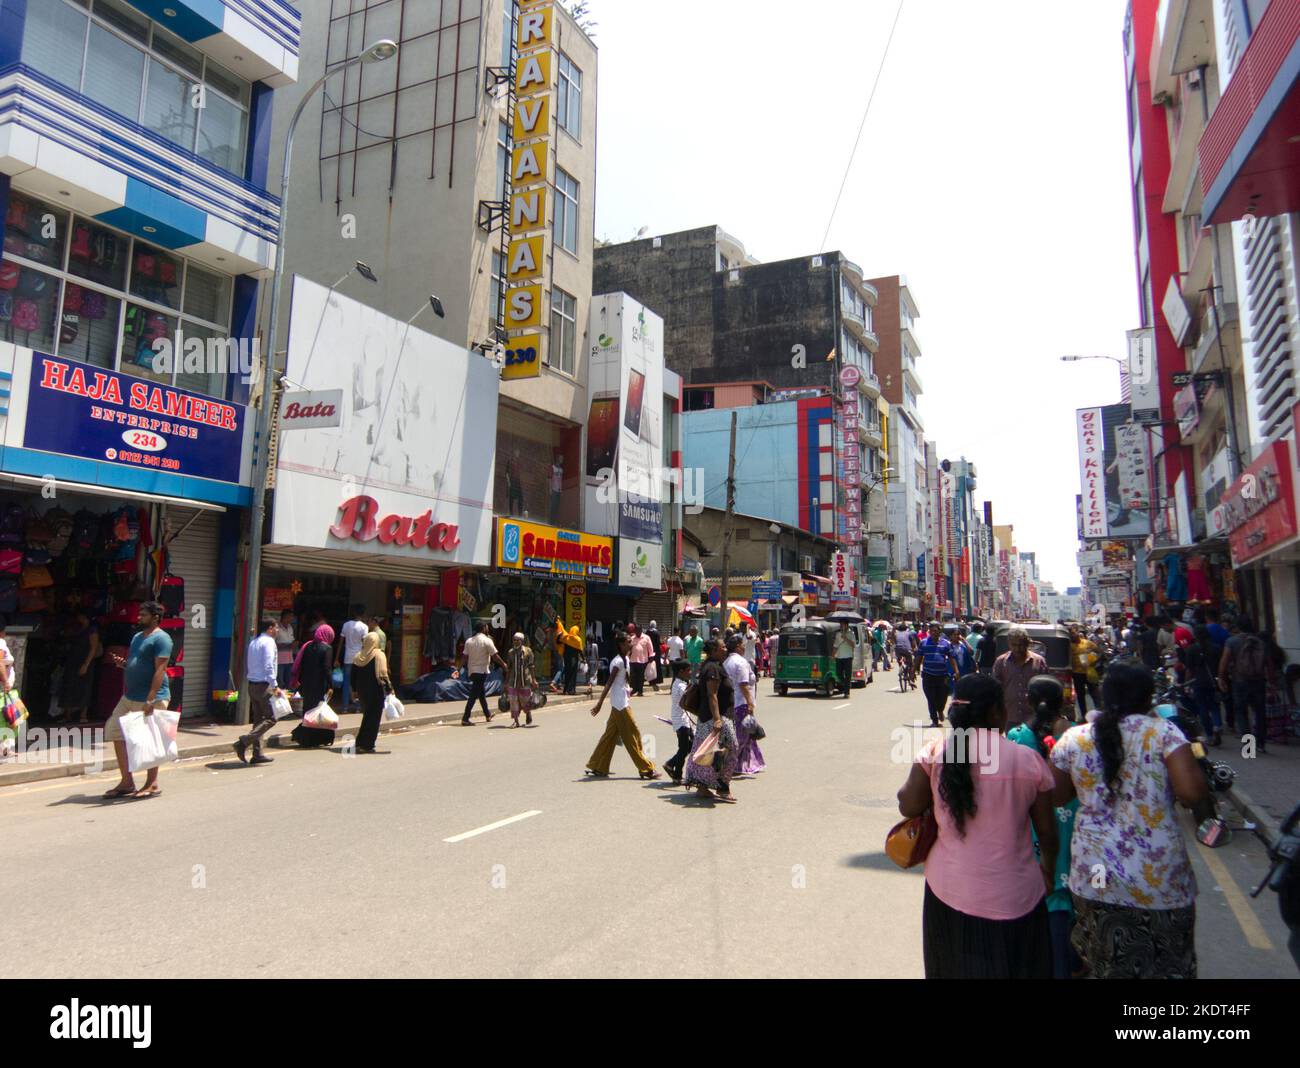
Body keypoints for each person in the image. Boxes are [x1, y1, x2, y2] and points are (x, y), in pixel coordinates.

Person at [1050, 662, 1210, 978]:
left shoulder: (1075, 737)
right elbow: (1192, 793)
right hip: (1159, 878)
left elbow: (1054, 795)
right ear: (1148, 698)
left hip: (1095, 876)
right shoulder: (1164, 733)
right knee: (1168, 965)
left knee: (1106, 964)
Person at [896, 673, 1057, 978]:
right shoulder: (1028, 760)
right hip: (1017, 897)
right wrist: (1046, 870)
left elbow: (907, 804)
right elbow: (1048, 833)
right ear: (996, 712)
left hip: (948, 891)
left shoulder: (937, 752)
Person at [1007, 675, 1080, 979]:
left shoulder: (1015, 736)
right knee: (1061, 904)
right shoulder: (1075, 736)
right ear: (1063, 701)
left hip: (1028, 832)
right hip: (1066, 831)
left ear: (1029, 700)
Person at [102, 601, 174, 799]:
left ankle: (152, 783)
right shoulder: (137, 637)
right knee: (115, 730)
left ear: (155, 617)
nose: (139, 617)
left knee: (150, 739)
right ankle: (127, 782)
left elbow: (160, 669)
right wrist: (125, 665)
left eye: (143, 614)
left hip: (152, 697)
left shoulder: (162, 639)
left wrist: (150, 699)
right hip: (130, 696)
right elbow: (139, 663)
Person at [585, 632, 659, 779]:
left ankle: (597, 765)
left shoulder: (625, 659)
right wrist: (599, 704)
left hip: (621, 702)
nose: (631, 644)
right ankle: (645, 768)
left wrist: (628, 689)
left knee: (609, 737)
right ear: (621, 644)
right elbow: (609, 683)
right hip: (620, 705)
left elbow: (623, 680)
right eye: (628, 642)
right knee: (632, 736)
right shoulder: (618, 662)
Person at [683, 638, 738, 802]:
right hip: (715, 717)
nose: (725, 649)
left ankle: (703, 786)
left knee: (710, 751)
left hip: (713, 717)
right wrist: (717, 720)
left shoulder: (715, 665)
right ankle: (722, 786)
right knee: (730, 748)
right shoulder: (712, 668)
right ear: (714, 650)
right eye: (722, 647)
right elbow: (712, 695)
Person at [233, 617, 283, 766]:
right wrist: (275, 686)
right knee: (272, 718)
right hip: (263, 685)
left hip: (253, 684)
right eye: (276, 627)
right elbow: (269, 666)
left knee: (258, 721)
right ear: (270, 629)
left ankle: (258, 753)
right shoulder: (268, 642)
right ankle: (243, 742)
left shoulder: (254, 642)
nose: (278, 630)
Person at [1218, 615, 1270, 750]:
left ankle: (1249, 745)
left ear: (1238, 627)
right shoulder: (1260, 642)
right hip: (1258, 680)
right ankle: (1261, 743)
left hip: (1239, 681)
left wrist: (1221, 678)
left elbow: (1224, 662)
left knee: (1241, 711)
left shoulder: (1231, 641)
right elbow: (1268, 663)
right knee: (1259, 711)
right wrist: (1271, 681)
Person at [290, 623, 336, 748]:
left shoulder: (307, 646)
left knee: (308, 710)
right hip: (320, 684)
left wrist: (299, 682)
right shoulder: (327, 648)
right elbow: (327, 668)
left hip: (306, 684)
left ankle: (306, 739)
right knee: (319, 712)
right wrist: (331, 685)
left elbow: (302, 664)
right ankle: (317, 739)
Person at [992, 625, 1048, 729]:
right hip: (1010, 716)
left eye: (1021, 645)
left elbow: (1044, 690)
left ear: (1027, 643)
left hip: (1033, 717)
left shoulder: (1039, 662)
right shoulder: (1001, 662)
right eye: (1014, 645)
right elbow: (995, 690)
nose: (1017, 649)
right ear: (1009, 644)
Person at [724, 633, 764, 774]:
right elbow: (743, 685)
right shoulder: (740, 662)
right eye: (742, 644)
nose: (744, 646)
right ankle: (730, 765)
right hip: (741, 703)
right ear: (737, 647)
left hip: (732, 703)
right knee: (742, 737)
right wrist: (750, 703)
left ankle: (744, 765)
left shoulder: (727, 662)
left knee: (746, 736)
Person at [1182, 624, 1223, 746]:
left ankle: (1209, 734)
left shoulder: (1191, 649)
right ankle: (1217, 725)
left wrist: (1186, 684)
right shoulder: (1216, 648)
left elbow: (1189, 669)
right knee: (1215, 706)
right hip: (1213, 681)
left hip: (1198, 682)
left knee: (1202, 708)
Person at [351, 631, 391, 753]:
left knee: (367, 716)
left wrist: (354, 690)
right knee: (373, 718)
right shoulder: (379, 655)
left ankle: (360, 742)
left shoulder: (358, 656)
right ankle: (367, 744)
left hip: (362, 691)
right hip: (376, 691)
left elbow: (353, 676)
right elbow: (383, 674)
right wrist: (390, 689)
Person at [60, 609, 101, 725]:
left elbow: (93, 648)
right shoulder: (77, 629)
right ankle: (67, 715)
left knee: (85, 687)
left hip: (85, 661)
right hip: (73, 661)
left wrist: (86, 664)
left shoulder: (92, 630)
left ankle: (83, 714)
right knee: (69, 686)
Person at [462, 621, 506, 725]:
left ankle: (487, 714)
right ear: (483, 629)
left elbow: (464, 656)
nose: (488, 629)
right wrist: (504, 665)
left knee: (481, 693)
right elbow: (495, 656)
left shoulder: (469, 641)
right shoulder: (487, 641)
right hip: (481, 671)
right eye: (487, 627)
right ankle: (465, 717)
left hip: (472, 671)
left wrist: (458, 669)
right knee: (473, 695)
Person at [917, 622, 960, 727]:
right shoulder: (923, 643)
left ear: (939, 632)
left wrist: (956, 671)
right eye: (931, 631)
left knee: (942, 697)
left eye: (935, 631)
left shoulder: (946, 643)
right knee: (931, 698)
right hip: (928, 675)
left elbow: (951, 657)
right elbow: (918, 658)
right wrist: (914, 670)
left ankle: (940, 710)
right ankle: (934, 720)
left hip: (942, 676)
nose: (933, 633)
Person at [663, 658, 694, 784]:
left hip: (683, 719)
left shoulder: (678, 683)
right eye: (688, 670)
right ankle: (676, 773)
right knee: (684, 748)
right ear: (681, 672)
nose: (690, 672)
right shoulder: (680, 686)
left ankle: (671, 765)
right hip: (681, 721)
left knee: (689, 746)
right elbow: (688, 701)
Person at [338, 606, 369, 711]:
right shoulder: (364, 627)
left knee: (346, 683)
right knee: (358, 683)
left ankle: (344, 707)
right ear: (363, 614)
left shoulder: (346, 625)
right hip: (359, 658)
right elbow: (365, 644)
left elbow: (341, 642)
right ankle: (358, 706)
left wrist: (336, 658)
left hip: (348, 657)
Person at [1068, 624, 1101, 720]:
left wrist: (1095, 661)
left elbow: (1099, 651)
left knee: (1095, 693)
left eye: (1074, 633)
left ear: (1078, 632)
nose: (1073, 636)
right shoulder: (1069, 646)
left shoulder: (1087, 643)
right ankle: (1084, 716)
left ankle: (1100, 713)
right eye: (1071, 634)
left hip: (1089, 672)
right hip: (1077, 674)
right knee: (1081, 695)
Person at [505, 632, 537, 727]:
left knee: (525, 700)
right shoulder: (510, 652)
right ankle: (516, 721)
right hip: (513, 681)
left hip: (525, 680)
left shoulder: (528, 651)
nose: (515, 642)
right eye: (514, 640)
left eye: (517, 640)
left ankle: (528, 713)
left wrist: (534, 680)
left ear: (522, 641)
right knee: (513, 701)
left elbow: (531, 666)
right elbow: (509, 668)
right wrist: (506, 682)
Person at [833, 622, 858, 698]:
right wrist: (833, 654)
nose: (841, 626)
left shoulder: (851, 633)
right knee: (838, 673)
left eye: (843, 625)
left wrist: (845, 638)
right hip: (839, 656)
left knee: (848, 675)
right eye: (840, 625)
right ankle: (847, 684)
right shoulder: (838, 634)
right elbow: (835, 645)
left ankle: (846, 692)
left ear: (846, 625)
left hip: (848, 656)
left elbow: (853, 645)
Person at [627, 622, 651, 697]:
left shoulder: (646, 637)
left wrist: (651, 658)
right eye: (635, 630)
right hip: (633, 660)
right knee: (633, 676)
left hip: (643, 660)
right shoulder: (632, 638)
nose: (636, 632)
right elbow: (629, 649)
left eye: (638, 630)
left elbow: (650, 649)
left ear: (641, 630)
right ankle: (633, 690)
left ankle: (640, 691)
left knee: (640, 677)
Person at [275, 609, 297, 688]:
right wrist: (287, 646)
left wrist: (294, 644)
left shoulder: (290, 627)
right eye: (290, 617)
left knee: (288, 681)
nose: (292, 618)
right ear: (285, 617)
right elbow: (273, 644)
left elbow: (291, 640)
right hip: (279, 660)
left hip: (289, 659)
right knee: (280, 682)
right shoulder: (277, 628)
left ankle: (285, 699)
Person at [646, 620, 664, 693]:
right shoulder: (656, 633)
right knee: (656, 666)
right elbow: (658, 642)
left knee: (650, 667)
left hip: (649, 652)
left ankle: (651, 680)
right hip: (656, 652)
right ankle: (656, 680)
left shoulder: (647, 632)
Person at [549, 454, 564, 524]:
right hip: (553, 489)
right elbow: (549, 478)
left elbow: (560, 480)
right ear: (557, 458)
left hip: (559, 490)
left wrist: (561, 490)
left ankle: (554, 522)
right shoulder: (552, 467)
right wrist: (550, 489)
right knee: (553, 506)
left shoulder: (561, 469)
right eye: (560, 458)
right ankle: (551, 522)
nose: (562, 460)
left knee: (557, 507)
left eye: (562, 459)